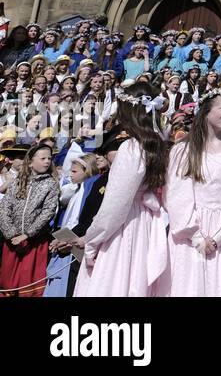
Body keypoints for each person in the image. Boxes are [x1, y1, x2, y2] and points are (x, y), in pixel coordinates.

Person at [75, 83, 171, 296]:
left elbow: (115, 205)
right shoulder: (158, 145)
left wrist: (92, 241)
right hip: (146, 223)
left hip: (125, 225)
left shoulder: (131, 148)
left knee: (116, 281)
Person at [163, 83, 221, 296]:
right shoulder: (183, 150)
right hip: (191, 230)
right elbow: (177, 197)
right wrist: (196, 237)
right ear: (207, 111)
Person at [0, 143, 59, 296]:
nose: (47, 161)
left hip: (34, 241)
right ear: (31, 161)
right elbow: (4, 207)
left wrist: (27, 234)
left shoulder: (50, 184)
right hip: (12, 241)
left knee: (29, 284)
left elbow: (48, 212)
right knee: (8, 282)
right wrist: (12, 233)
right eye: (43, 158)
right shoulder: (17, 182)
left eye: (49, 158)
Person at [44, 154, 94, 297]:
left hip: (74, 242)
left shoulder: (88, 189)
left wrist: (66, 238)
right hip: (66, 239)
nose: (70, 175)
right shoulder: (77, 189)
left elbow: (79, 220)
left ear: (87, 170)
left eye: (74, 171)